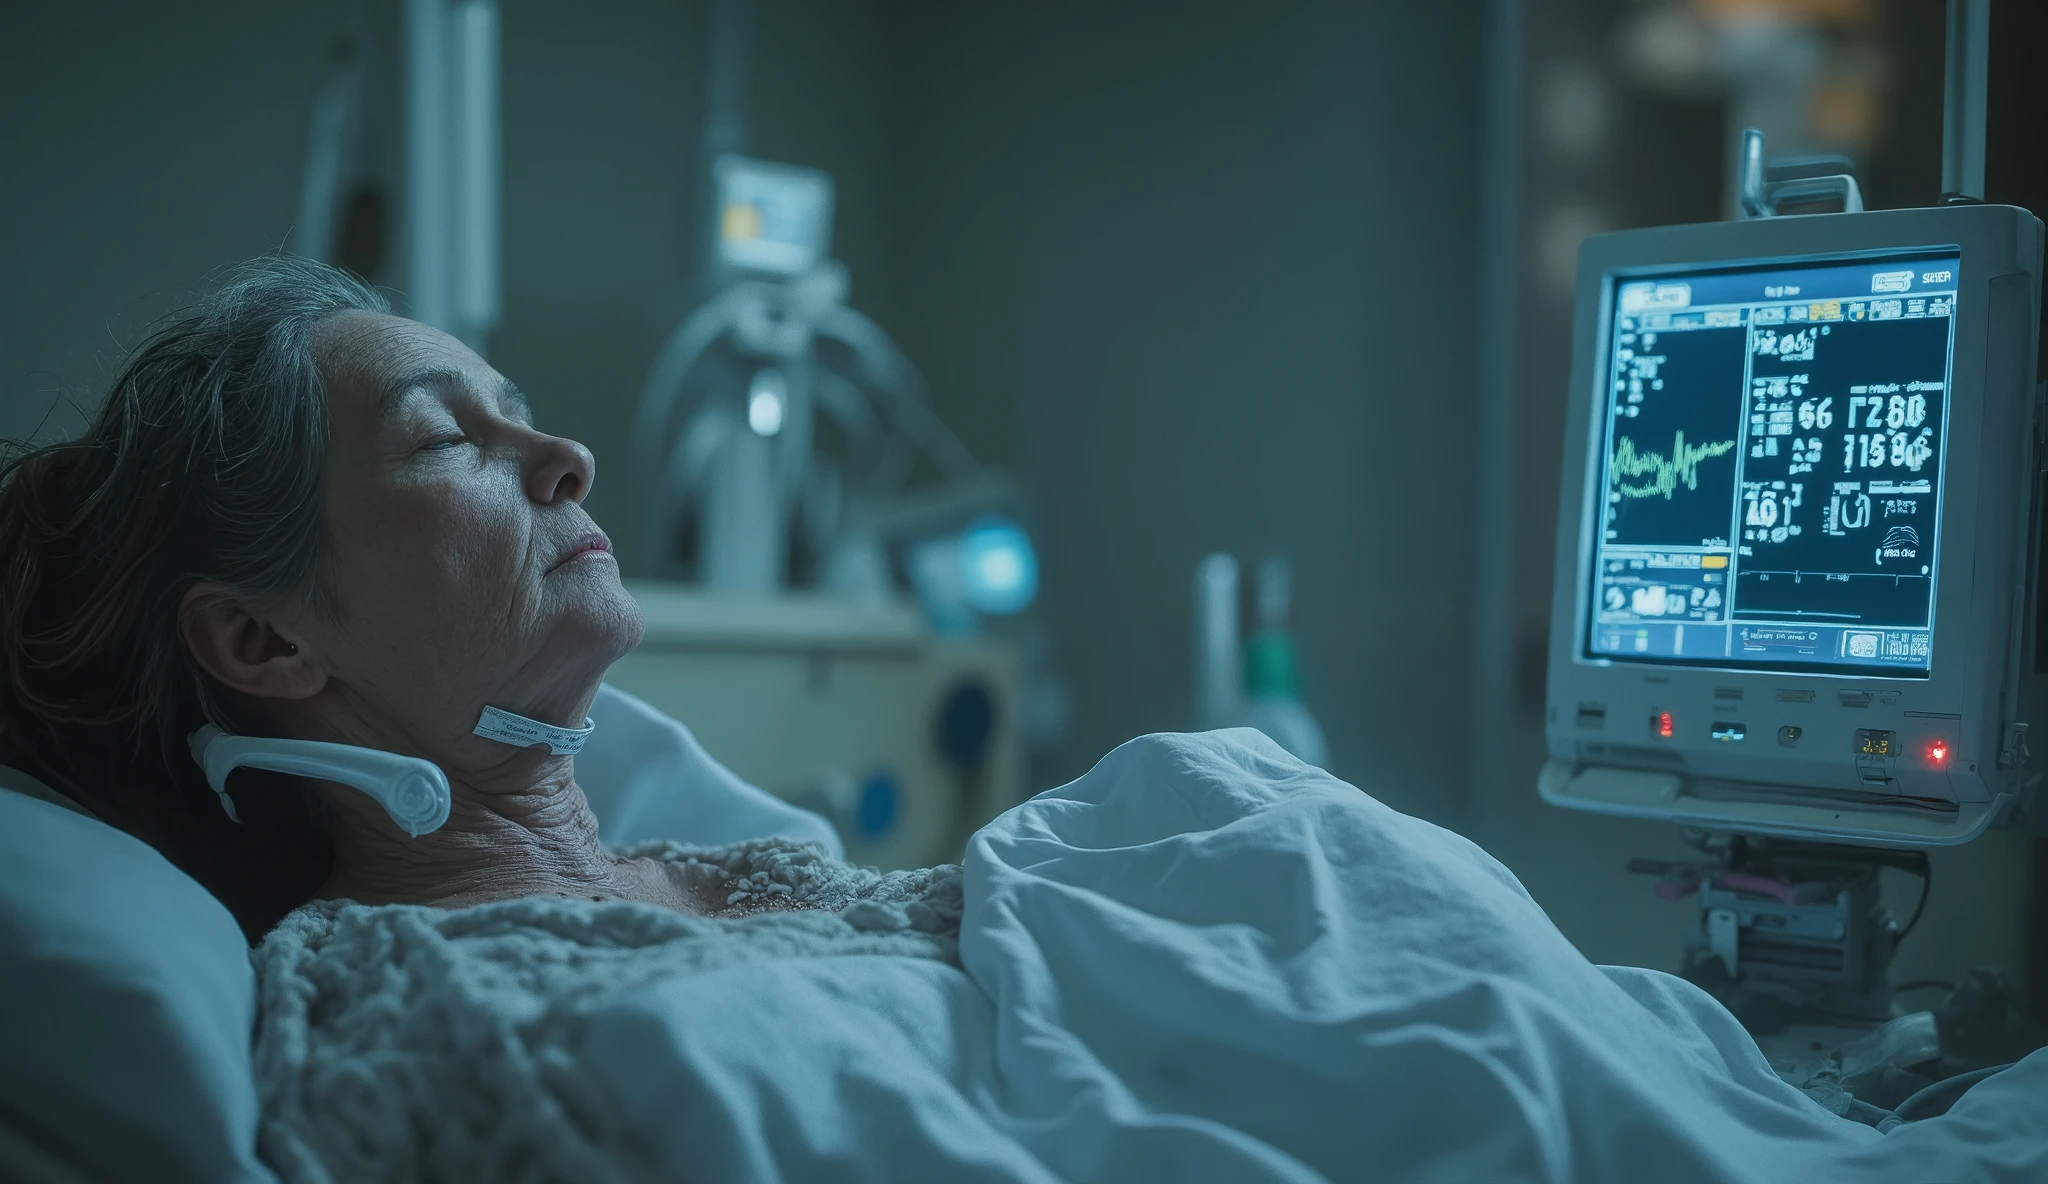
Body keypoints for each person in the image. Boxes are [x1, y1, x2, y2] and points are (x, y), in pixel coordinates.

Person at [0, 256, 711, 938]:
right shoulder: (424, 1004)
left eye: (518, 414)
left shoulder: (736, 867)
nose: (573, 459)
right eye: (443, 437)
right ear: (264, 641)